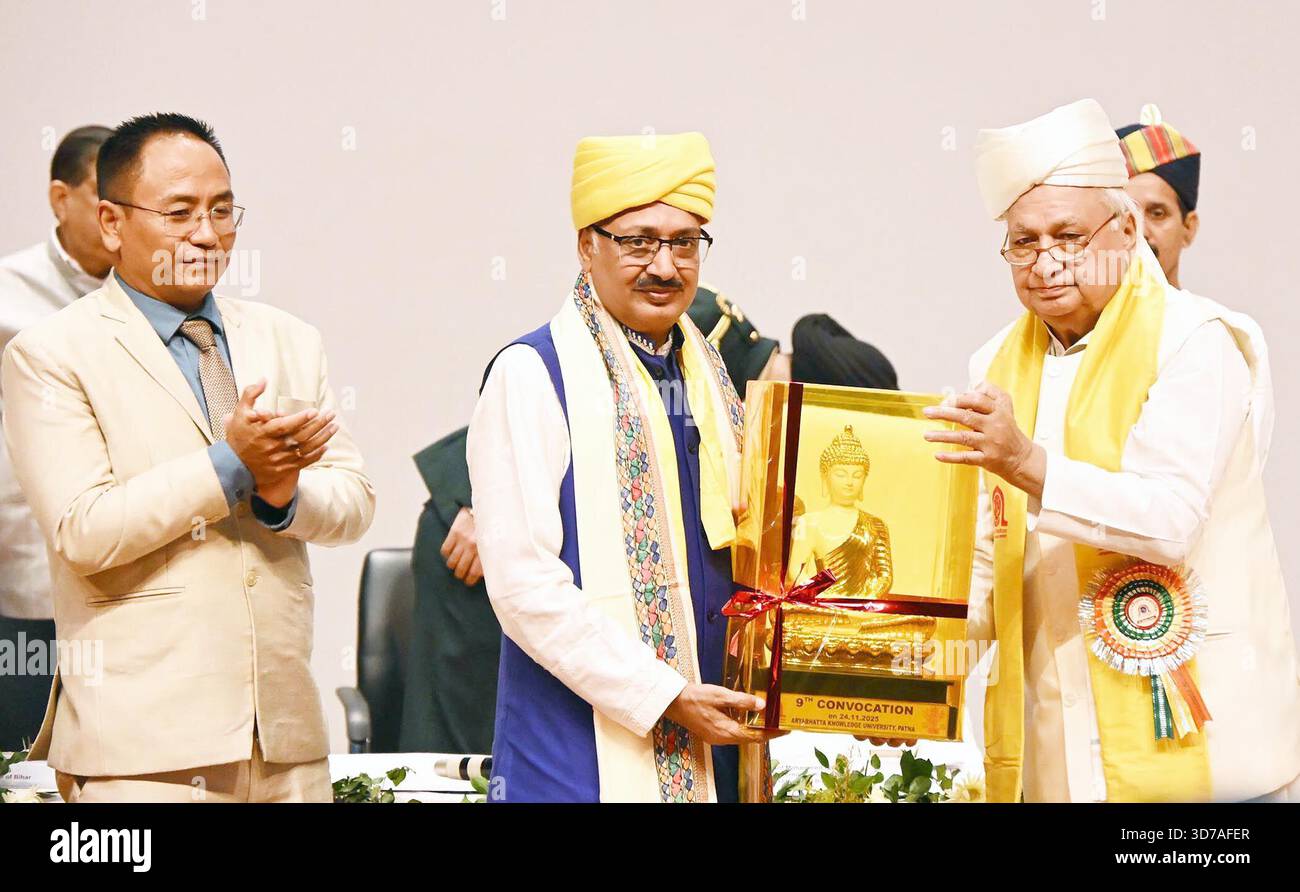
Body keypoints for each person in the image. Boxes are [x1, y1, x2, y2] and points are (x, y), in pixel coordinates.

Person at [925, 98, 1299, 802]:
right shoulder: (994, 364)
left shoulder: (1196, 340)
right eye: (1024, 242)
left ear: (1125, 230)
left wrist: (1025, 462)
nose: (1046, 262)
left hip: (1209, 754)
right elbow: (986, 556)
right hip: (1058, 750)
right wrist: (911, 671)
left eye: (1069, 236)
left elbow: (1169, 519)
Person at [1, 113, 375, 802]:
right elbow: (84, 529)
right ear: (111, 222)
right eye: (179, 213)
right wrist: (233, 466)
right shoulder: (50, 354)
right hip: (142, 753)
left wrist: (283, 496)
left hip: (286, 741)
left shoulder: (289, 339)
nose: (207, 234)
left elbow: (353, 502)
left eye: (222, 211)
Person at [468, 131, 785, 802]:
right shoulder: (533, 374)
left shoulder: (706, 378)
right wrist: (664, 695)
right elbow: (523, 585)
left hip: (712, 739)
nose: (664, 266)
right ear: (587, 245)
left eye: (684, 242)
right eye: (638, 241)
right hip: (575, 755)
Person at [399, 284, 776, 757]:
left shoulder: (700, 358)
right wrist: (478, 501)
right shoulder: (550, 368)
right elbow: (577, 426)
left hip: (660, 685)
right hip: (504, 598)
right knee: (463, 741)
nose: (664, 265)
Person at [0, 125, 115, 752]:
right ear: (59, 198)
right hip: (22, 544)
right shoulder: (7, 290)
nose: (116, 212)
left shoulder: (155, 292)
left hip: (128, 549)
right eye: (102, 193)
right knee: (23, 749)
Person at [786, 425, 893, 597]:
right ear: (825, 477)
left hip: (863, 605)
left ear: (864, 481)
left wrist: (866, 600)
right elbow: (795, 572)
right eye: (841, 474)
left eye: (857, 475)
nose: (849, 482)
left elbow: (884, 576)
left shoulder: (876, 525)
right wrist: (821, 596)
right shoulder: (808, 522)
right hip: (824, 604)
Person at [1116, 105, 1200, 288]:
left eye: (1157, 214)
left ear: (1189, 228)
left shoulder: (1208, 310)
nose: (1141, 232)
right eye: (1125, 214)